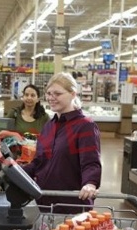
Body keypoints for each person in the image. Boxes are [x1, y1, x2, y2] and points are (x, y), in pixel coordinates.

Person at [22, 72, 101, 214]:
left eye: (57, 94)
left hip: (71, 207)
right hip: (44, 205)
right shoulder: (49, 126)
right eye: (49, 93)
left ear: (72, 94)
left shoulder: (84, 125)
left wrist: (90, 183)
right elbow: (39, 161)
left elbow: (90, 162)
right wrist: (15, 171)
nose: (51, 98)